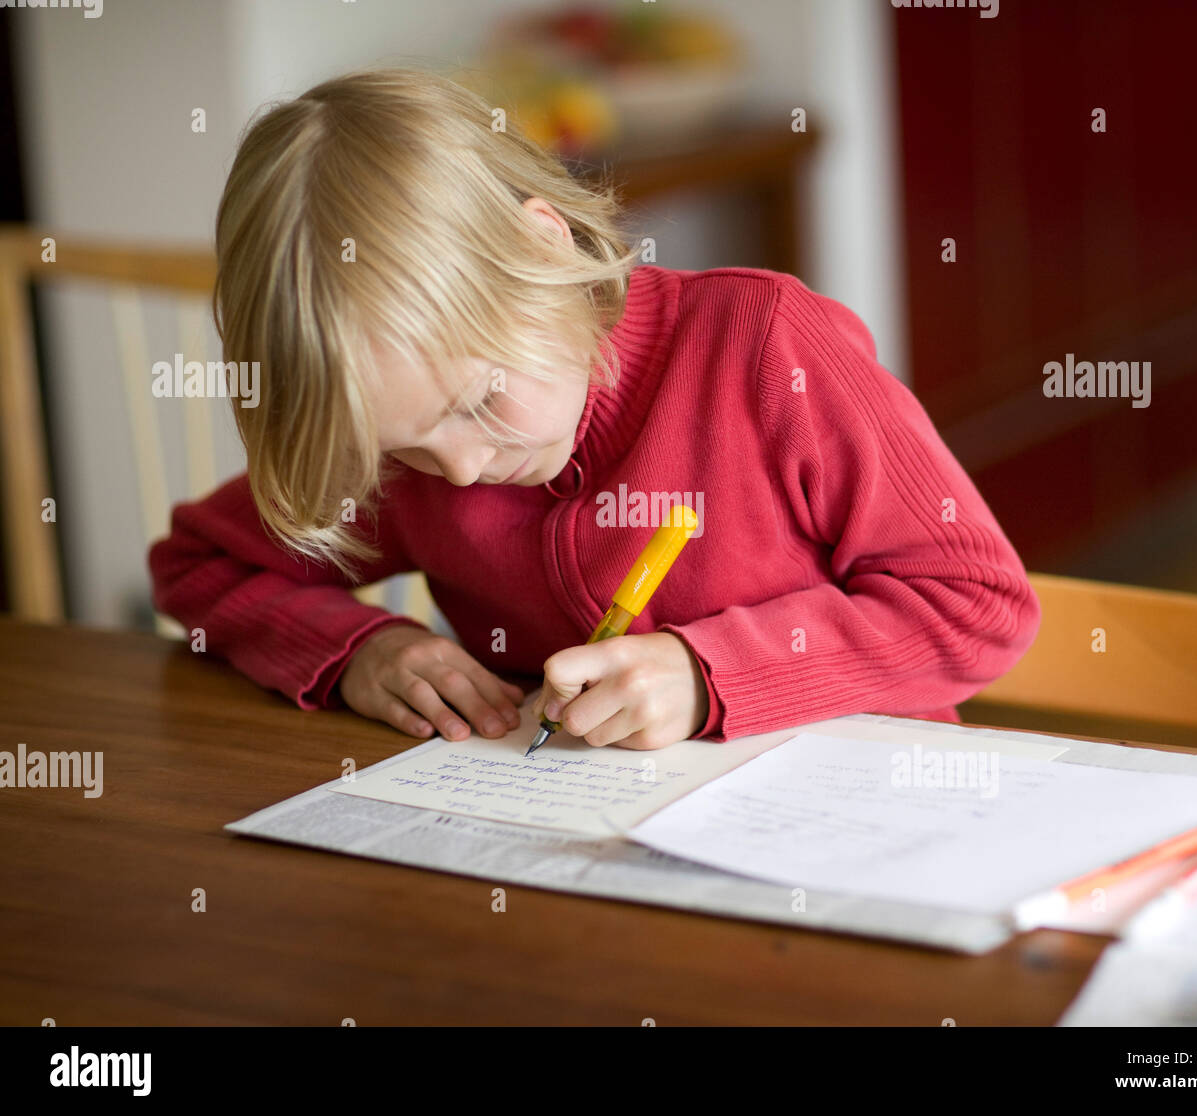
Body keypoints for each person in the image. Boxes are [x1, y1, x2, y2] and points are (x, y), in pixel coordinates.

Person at [149, 67, 1040, 751]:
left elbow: (980, 606)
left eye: (480, 403)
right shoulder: (403, 433)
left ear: (543, 246)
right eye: (409, 452)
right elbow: (197, 564)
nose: (458, 471)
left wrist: (707, 677)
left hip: (864, 834)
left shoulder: (765, 349)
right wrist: (361, 651)